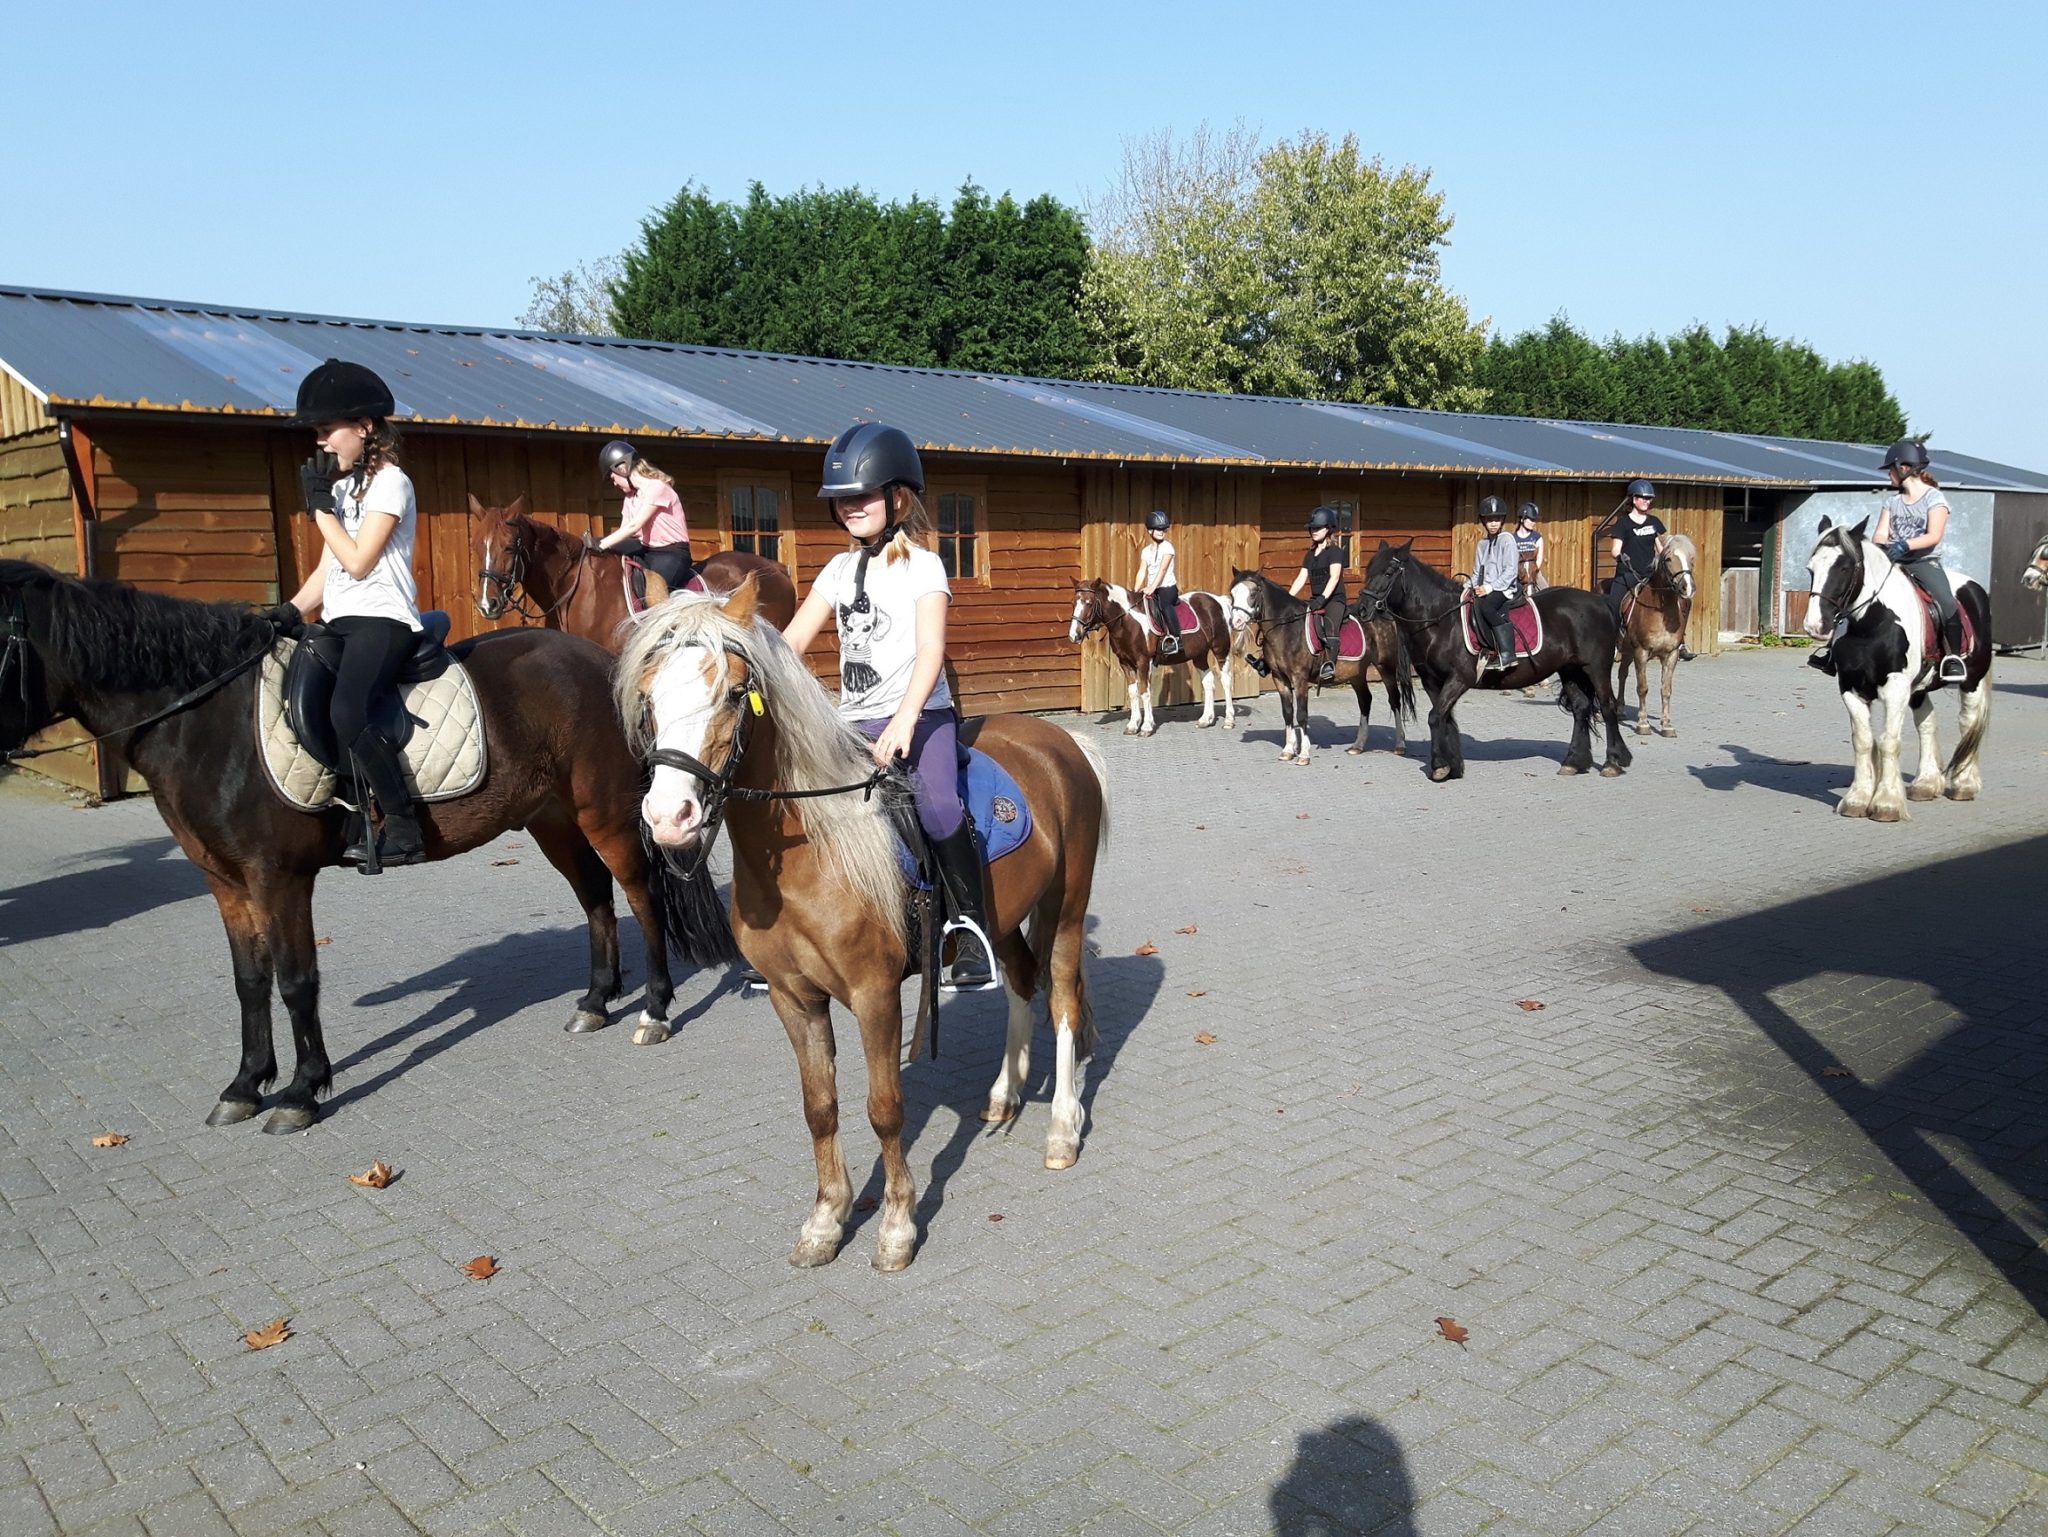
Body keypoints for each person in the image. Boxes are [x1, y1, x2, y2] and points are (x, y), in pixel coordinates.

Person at [783, 422, 998, 991]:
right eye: (841, 500)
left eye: (861, 495)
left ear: (897, 497)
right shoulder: (836, 570)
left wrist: (905, 719)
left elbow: (932, 649)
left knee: (938, 807)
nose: (850, 508)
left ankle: (972, 929)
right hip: (851, 723)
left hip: (921, 717)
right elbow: (791, 643)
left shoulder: (924, 566)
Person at [273, 358, 426, 872]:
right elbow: (329, 570)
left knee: (348, 712)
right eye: (316, 433)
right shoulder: (339, 490)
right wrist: (288, 612)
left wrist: (319, 509)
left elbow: (359, 563)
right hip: (339, 619)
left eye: (326, 431)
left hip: (384, 620)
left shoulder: (392, 483)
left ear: (364, 427)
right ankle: (356, 811)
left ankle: (404, 828)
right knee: (306, 704)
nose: (320, 442)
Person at [1868, 438, 1967, 683]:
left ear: (1904, 468)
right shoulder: (1892, 502)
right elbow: (1880, 532)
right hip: (1893, 561)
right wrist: (1881, 545)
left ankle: (1954, 657)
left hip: (1923, 562)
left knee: (1946, 601)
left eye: (1890, 470)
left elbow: (1933, 536)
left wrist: (1904, 545)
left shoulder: (1934, 499)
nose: (1889, 475)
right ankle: (1835, 650)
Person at [593, 440, 695, 604]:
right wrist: (596, 543)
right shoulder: (630, 498)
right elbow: (625, 530)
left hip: (672, 553)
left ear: (622, 468)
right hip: (648, 548)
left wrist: (602, 544)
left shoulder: (657, 488)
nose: (613, 483)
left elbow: (635, 525)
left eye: (613, 477)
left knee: (652, 599)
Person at [1289, 506, 1346, 683]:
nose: (1313, 531)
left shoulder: (1335, 552)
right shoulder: (1310, 555)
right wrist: (1288, 598)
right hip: (1315, 600)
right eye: (1312, 528)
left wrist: (1322, 599)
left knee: (1330, 626)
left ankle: (1329, 666)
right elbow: (1301, 578)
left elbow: (1334, 577)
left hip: (1334, 600)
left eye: (1317, 528)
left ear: (1328, 529)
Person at [1470, 497, 1521, 668]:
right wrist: (1464, 588)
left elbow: (1511, 571)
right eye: (1489, 520)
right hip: (1485, 588)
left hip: (1504, 588)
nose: (1493, 524)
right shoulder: (1482, 544)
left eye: (1496, 520)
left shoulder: (1507, 540)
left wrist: (1489, 587)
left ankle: (1507, 653)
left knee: (1486, 607)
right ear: (1483, 522)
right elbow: (1477, 573)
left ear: (1502, 521)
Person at [1135, 509, 1181, 656]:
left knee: (1164, 605)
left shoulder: (1168, 547)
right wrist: (1135, 591)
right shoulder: (1146, 551)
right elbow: (1142, 571)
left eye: (1164, 529)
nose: (1162, 531)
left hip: (1167, 588)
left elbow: (1162, 570)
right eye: (1158, 529)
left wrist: (1151, 587)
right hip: (1152, 589)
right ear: (1150, 531)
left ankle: (1176, 639)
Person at [1513, 501, 1546, 591]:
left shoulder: (1537, 537)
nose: (1534, 522)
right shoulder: (1512, 539)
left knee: (1546, 591)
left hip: (1534, 572)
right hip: (1517, 573)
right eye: (1531, 520)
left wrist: (1533, 572)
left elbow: (1539, 558)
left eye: (1535, 520)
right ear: (1522, 519)